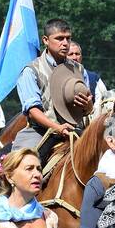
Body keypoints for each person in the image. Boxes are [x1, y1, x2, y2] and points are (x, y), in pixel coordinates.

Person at [13, 19, 93, 151]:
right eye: (59, 38)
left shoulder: (79, 69)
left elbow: (89, 109)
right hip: (41, 132)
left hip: (76, 131)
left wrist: (88, 105)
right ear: (45, 40)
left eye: (68, 38)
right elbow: (33, 111)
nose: (65, 43)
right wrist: (58, 128)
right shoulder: (31, 71)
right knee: (23, 164)